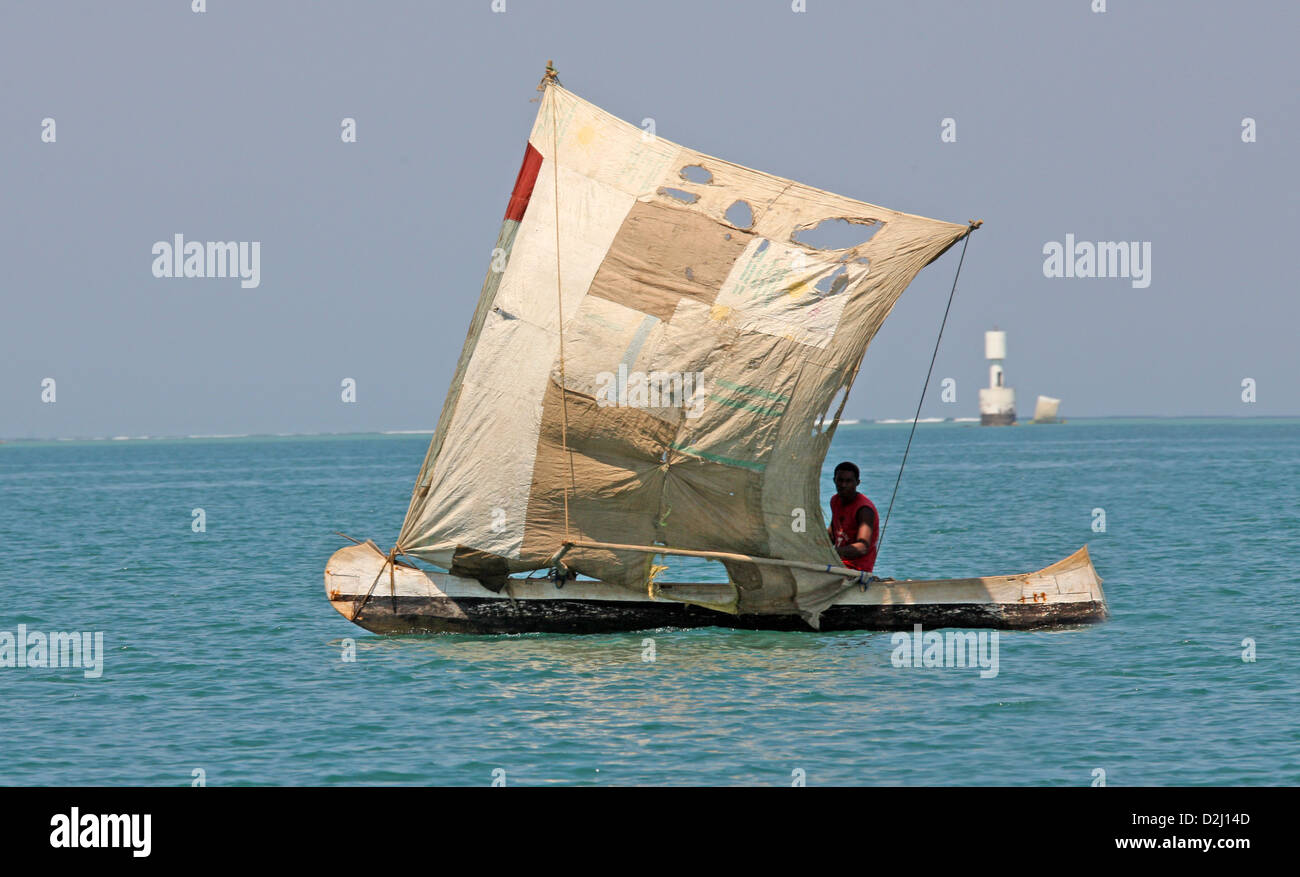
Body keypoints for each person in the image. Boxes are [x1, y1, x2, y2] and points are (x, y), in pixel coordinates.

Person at [828, 461, 879, 573]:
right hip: (837, 564)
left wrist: (832, 553)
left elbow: (862, 547)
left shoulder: (864, 509)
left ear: (857, 483)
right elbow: (832, 535)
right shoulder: (835, 501)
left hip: (857, 570)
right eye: (840, 480)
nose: (843, 485)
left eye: (849, 481)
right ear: (834, 481)